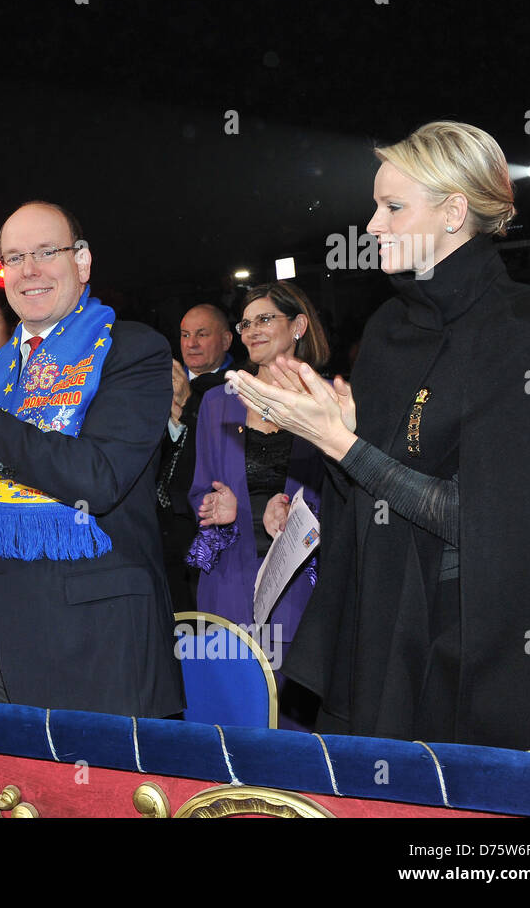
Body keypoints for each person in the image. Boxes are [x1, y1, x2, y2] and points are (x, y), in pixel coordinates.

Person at [228, 121, 530, 752]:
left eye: (393, 207)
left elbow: (483, 519)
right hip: (382, 617)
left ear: (454, 213)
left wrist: (341, 443)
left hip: (470, 638)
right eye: (375, 205)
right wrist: (343, 436)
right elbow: (371, 493)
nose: (372, 226)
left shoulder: (522, 325)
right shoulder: (390, 326)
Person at [0, 201, 183, 717]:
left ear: (83, 263)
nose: (28, 269)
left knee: (91, 800)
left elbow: (97, 479)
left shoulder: (130, 350)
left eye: (45, 252)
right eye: (14, 257)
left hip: (93, 647)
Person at [186, 284, 328, 727]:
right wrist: (221, 508)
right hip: (230, 577)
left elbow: (346, 495)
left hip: (299, 583)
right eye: (246, 323)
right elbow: (197, 494)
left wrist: (302, 516)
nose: (252, 330)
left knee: (289, 718)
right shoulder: (217, 402)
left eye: (265, 319)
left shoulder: (324, 402)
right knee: (230, 711)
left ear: (299, 326)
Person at [155, 303, 234, 611]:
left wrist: (188, 407)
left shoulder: (237, 387)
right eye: (186, 335)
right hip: (161, 531)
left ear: (226, 341)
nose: (191, 343)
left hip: (207, 527)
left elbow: (226, 454)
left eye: (202, 334)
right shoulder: (159, 384)